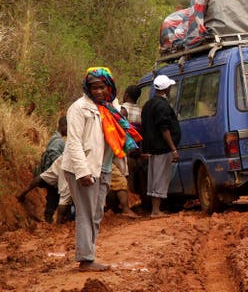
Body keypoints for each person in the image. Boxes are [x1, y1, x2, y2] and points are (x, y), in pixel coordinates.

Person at [61, 67, 141, 272]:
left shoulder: (111, 106)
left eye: (101, 87)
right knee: (86, 213)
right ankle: (86, 259)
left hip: (103, 167)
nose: (98, 92)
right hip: (84, 168)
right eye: (93, 88)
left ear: (110, 87)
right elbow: (74, 143)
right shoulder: (79, 108)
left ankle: (88, 254)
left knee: (96, 213)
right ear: (87, 89)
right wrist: (83, 172)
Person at [141, 75, 181, 218]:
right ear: (167, 89)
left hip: (152, 148)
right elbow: (164, 129)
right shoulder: (162, 106)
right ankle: (156, 211)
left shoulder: (148, 105)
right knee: (159, 177)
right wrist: (173, 149)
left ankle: (155, 209)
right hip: (162, 148)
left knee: (154, 178)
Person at [17, 115, 67, 223]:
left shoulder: (55, 137)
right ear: (63, 126)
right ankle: (52, 221)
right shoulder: (59, 141)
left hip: (47, 169)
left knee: (51, 193)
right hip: (51, 169)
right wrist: (57, 165)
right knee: (55, 194)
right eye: (69, 126)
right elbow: (53, 154)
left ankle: (48, 219)